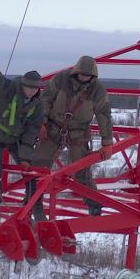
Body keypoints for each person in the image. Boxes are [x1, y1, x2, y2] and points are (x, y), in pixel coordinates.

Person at [28, 55, 114, 218]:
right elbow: (45, 100)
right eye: (82, 75)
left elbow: (104, 115)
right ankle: (33, 201)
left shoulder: (97, 89)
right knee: (39, 165)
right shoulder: (61, 79)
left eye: (87, 76)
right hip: (54, 126)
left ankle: (93, 203)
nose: (84, 78)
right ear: (76, 71)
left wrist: (107, 142)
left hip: (78, 132)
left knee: (81, 170)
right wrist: (41, 123)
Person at [0, 42, 46, 226]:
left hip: (17, 140)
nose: (32, 91)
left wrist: (25, 158)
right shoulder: (7, 89)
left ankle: (29, 208)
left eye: (35, 88)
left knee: (31, 173)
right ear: (22, 84)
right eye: (29, 87)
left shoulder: (37, 106)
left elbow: (31, 132)